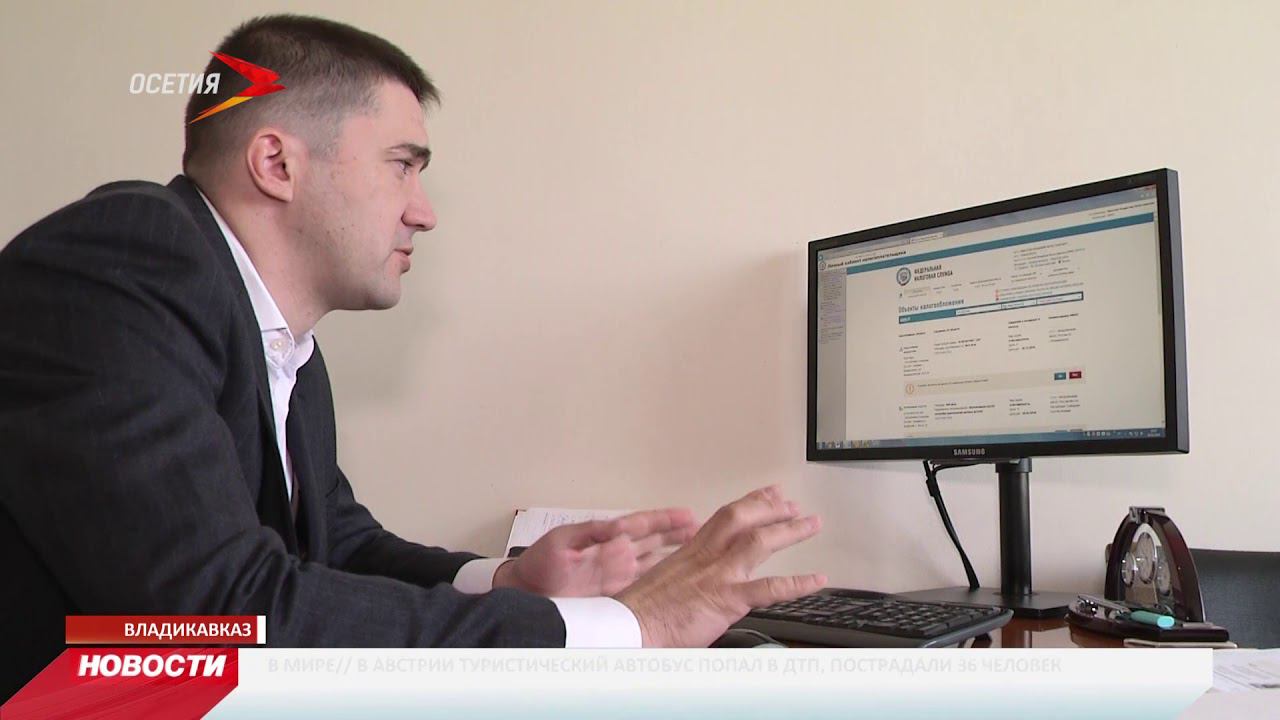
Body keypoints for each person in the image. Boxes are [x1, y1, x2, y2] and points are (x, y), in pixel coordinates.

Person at [0, 14, 824, 699]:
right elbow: (219, 611)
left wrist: (506, 583)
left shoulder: (283, 343)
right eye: (402, 166)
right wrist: (625, 627)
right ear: (277, 163)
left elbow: (335, 544)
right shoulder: (124, 260)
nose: (423, 212)